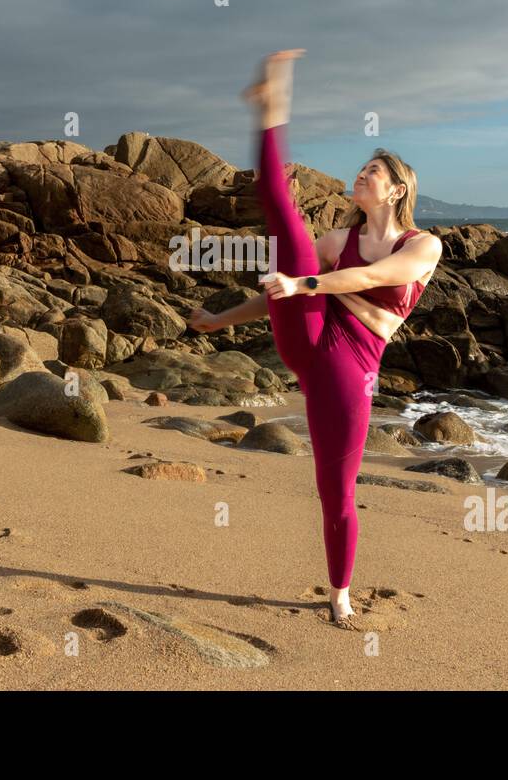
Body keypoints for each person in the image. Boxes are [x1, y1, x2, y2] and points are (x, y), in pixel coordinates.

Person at [189, 50, 444, 624]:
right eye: (360, 170)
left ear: (398, 190)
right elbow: (283, 292)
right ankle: (271, 107)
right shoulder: (333, 241)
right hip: (309, 340)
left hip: (350, 368)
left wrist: (306, 283)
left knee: (336, 488)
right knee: (281, 208)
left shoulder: (422, 247)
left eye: (371, 172)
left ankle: (339, 594)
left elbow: (377, 277)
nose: (359, 175)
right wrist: (220, 320)